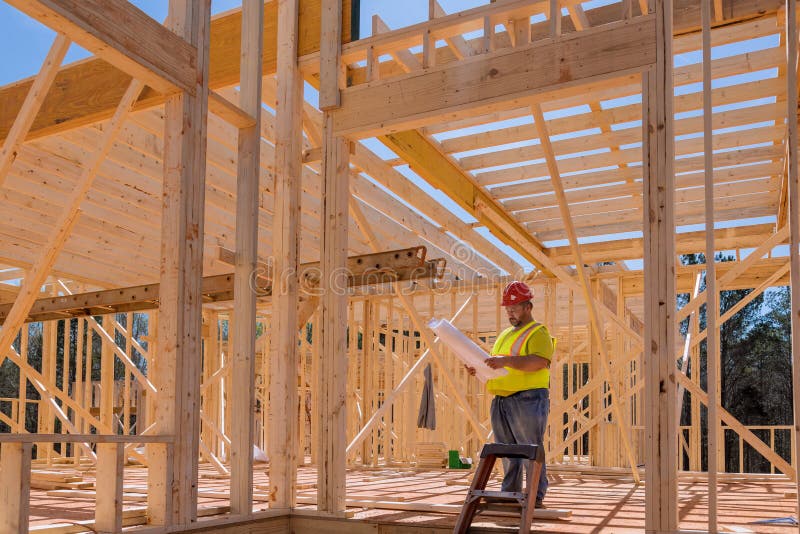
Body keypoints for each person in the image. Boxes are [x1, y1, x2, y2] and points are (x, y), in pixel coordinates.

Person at [466, 280, 554, 508]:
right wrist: (479, 368)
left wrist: (504, 361)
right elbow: (499, 368)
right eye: (507, 310)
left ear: (528, 307)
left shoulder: (538, 332)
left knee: (529, 448)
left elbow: (538, 361)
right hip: (502, 399)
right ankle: (511, 492)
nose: (510, 313)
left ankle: (535, 494)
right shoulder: (506, 334)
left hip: (528, 398)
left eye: (514, 309)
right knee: (506, 450)